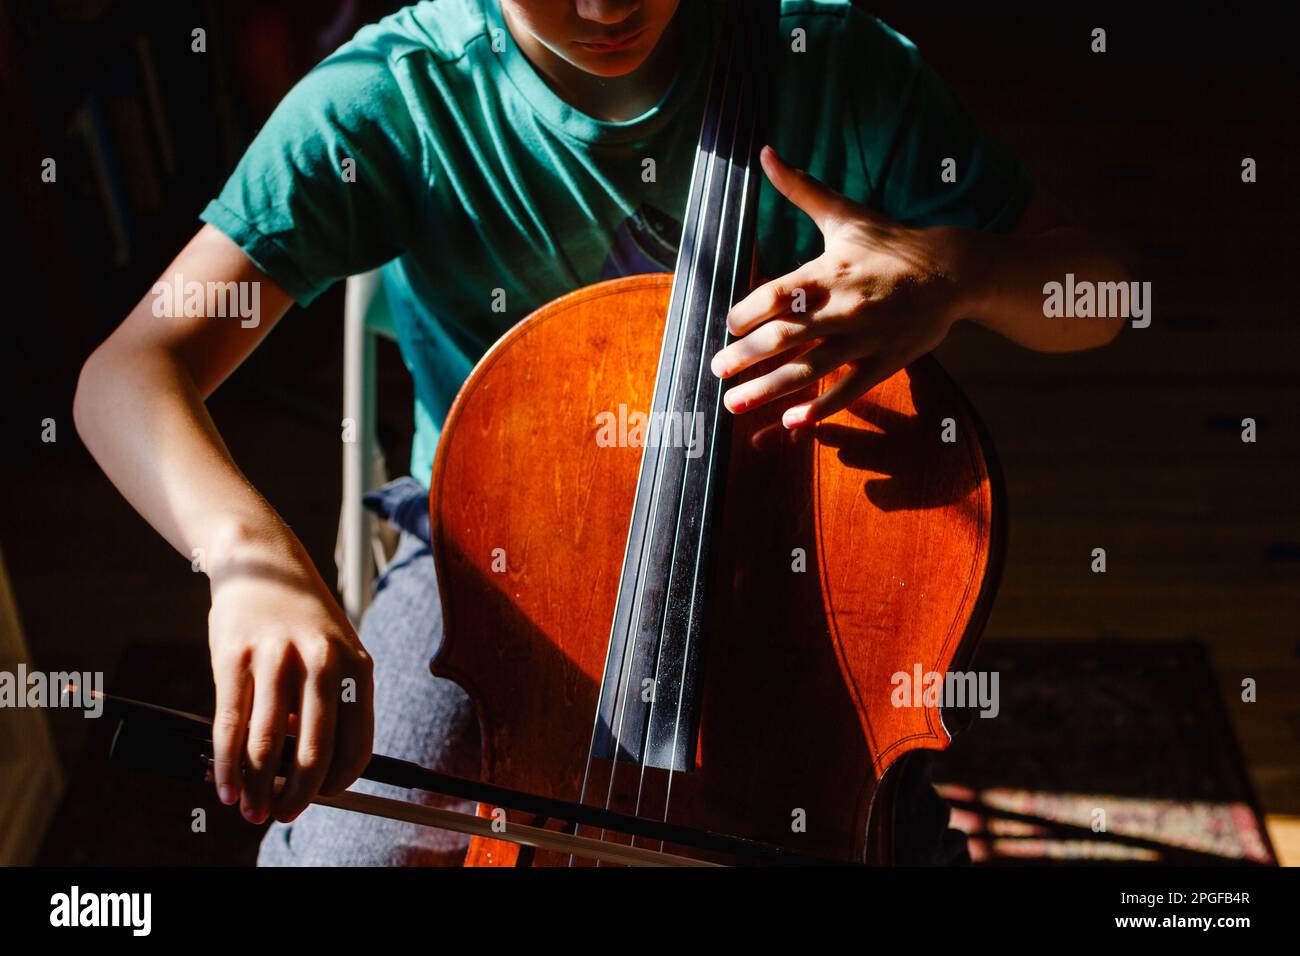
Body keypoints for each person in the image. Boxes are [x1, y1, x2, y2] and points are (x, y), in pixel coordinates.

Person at [73, 0, 1128, 866]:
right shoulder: (392, 99)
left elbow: (1103, 296)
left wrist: (963, 274)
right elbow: (128, 368)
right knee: (347, 849)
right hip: (486, 560)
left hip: (796, 570)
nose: (606, 6)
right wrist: (251, 562)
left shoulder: (832, 63)